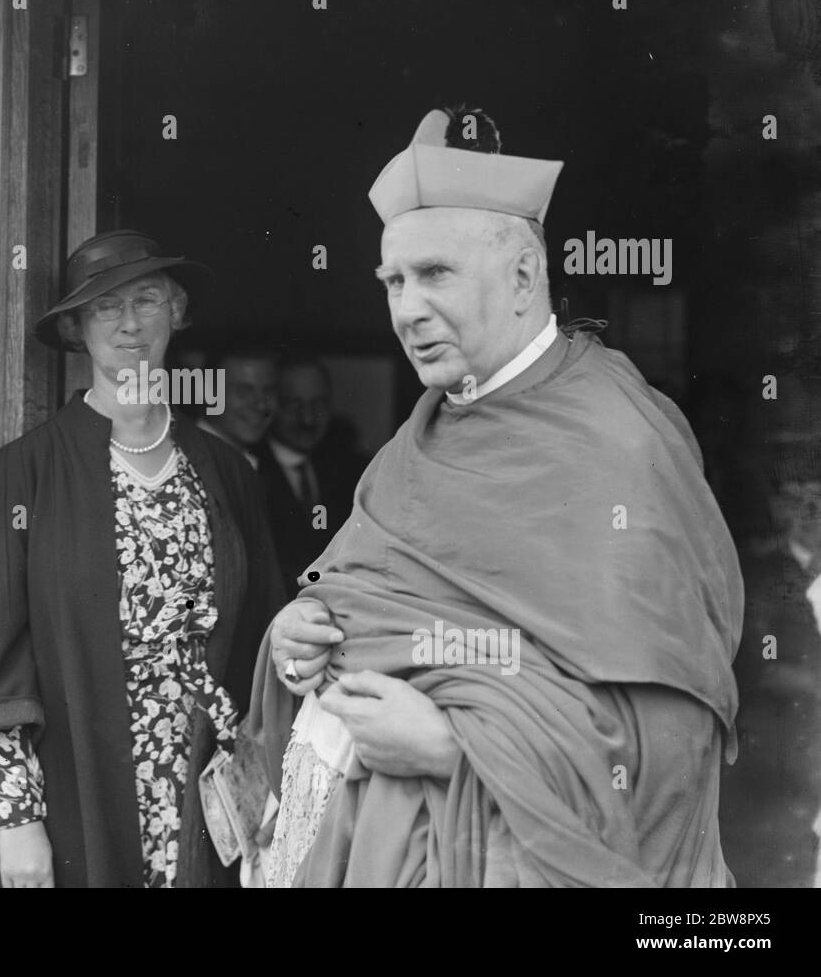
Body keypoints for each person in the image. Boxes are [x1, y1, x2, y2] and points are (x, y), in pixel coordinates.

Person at [250, 106, 743, 887]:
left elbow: (672, 733)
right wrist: (296, 633)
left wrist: (454, 748)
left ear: (522, 276)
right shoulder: (417, 438)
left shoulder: (622, 445)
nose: (407, 309)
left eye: (435, 273)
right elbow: (358, 594)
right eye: (393, 281)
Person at [0, 230, 285, 888]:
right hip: (86, 794)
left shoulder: (224, 472)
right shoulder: (24, 474)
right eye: (105, 306)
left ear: (177, 312)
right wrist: (19, 823)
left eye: (148, 300)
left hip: (209, 801)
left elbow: (261, 629)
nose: (130, 324)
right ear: (75, 327)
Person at [255, 352, 368, 595]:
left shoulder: (348, 469)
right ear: (272, 403)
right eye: (293, 405)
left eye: (318, 405)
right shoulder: (251, 468)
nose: (307, 419)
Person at [196, 346, 280, 469]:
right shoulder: (184, 460)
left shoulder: (258, 465)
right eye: (244, 391)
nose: (261, 405)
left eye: (268, 392)